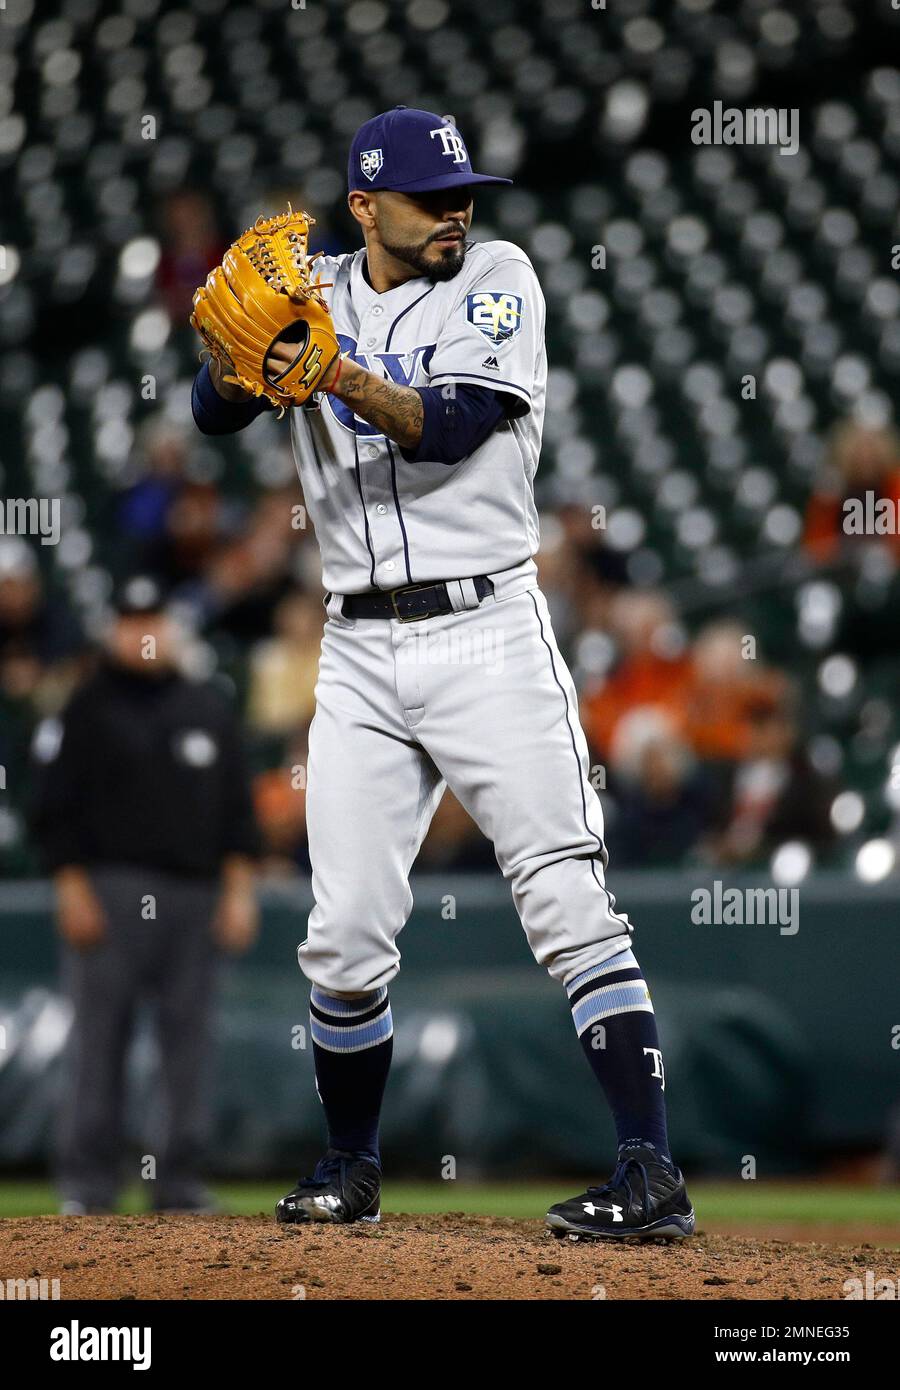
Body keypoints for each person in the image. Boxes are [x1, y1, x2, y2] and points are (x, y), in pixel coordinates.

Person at [192, 107, 694, 1241]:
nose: (457, 210)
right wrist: (248, 365)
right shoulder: (308, 284)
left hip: (486, 629)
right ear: (364, 204)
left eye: (464, 189)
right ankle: (348, 1167)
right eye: (431, 195)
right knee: (344, 930)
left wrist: (332, 373)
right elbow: (206, 412)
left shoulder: (499, 277)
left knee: (566, 895)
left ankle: (650, 1173)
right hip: (358, 645)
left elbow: (449, 425)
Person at [31, 576, 259, 1214]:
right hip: (110, 890)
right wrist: (71, 886)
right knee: (98, 1040)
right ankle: (88, 1186)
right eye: (131, 622)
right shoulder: (85, 707)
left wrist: (238, 893)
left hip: (194, 895)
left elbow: (238, 815)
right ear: (113, 630)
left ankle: (177, 1182)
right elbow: (53, 811)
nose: (144, 633)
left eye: (153, 619)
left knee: (189, 1041)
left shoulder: (206, 707)